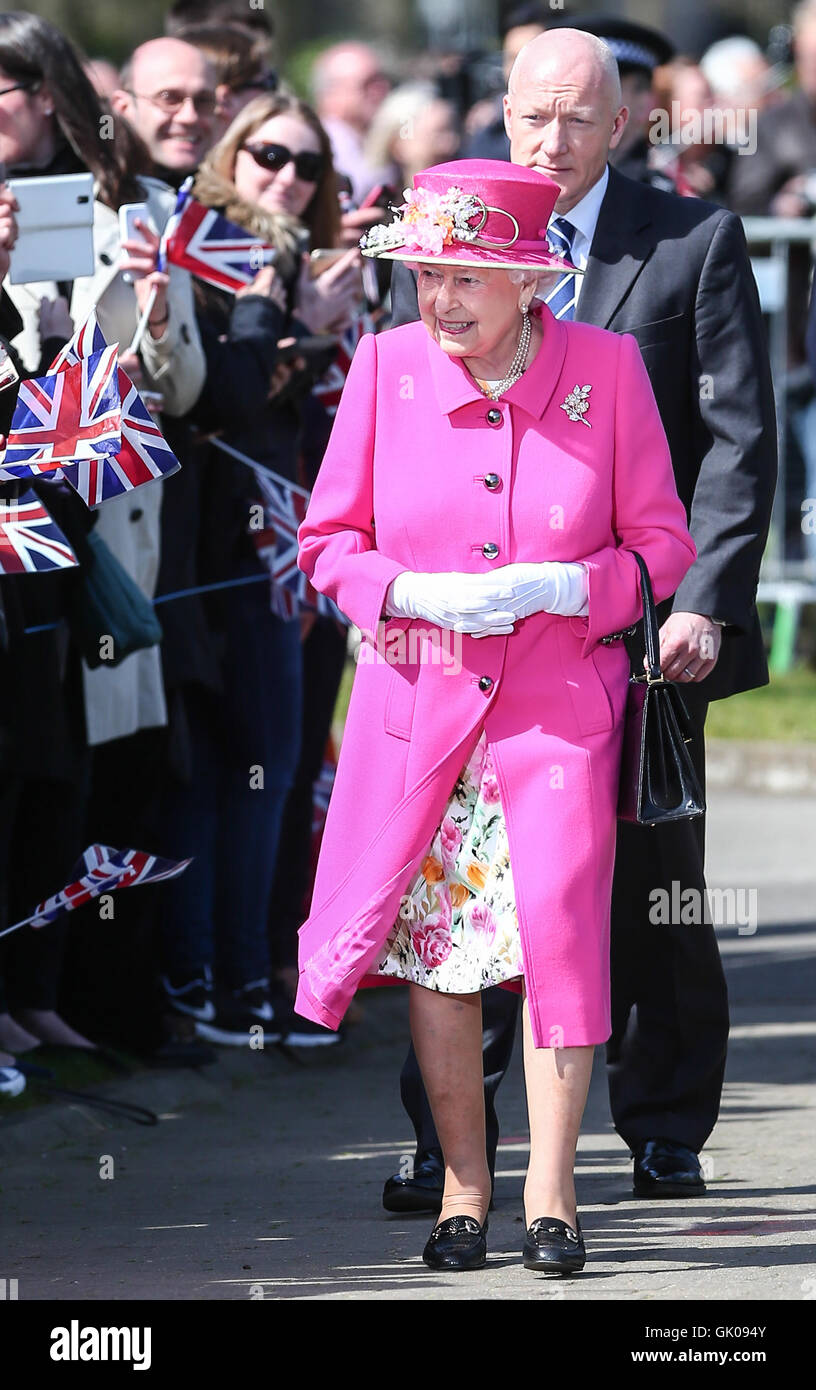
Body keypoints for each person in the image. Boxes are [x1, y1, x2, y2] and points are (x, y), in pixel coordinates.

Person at [387, 26, 777, 1208]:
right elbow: (403, 426)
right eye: (529, 115)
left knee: (652, 884)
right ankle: (451, 1142)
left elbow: (740, 444)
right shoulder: (448, 232)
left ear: (622, 125)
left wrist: (700, 601)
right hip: (478, 631)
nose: (549, 140)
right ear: (501, 117)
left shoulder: (692, 239)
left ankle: (662, 1123)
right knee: (460, 890)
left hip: (642, 630)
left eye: (575, 117)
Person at [294, 157, 696, 1272]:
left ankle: (555, 1193)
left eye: (470, 277)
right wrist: (407, 592)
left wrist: (569, 587)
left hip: (557, 716)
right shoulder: (384, 368)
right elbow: (327, 544)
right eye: (429, 274)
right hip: (420, 717)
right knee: (442, 958)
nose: (444, 300)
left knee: (559, 943)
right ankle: (461, 1190)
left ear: (534, 282)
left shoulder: (607, 371)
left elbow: (662, 544)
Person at [154, 92, 361, 1046]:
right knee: (240, 766)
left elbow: (327, 423)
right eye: (269, 153)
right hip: (213, 540)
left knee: (265, 767)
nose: (285, 175)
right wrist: (306, 326)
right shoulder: (206, 241)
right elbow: (225, 401)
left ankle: (244, 976)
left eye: (307, 164)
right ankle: (222, 982)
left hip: (287, 539)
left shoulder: (301, 255)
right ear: (234, 152)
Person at [112, 37, 219, 187]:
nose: (190, 117)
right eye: (169, 98)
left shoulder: (240, 198)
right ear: (122, 107)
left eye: (203, 100)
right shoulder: (87, 201)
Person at [311, 42, 391, 203]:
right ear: (331, 93)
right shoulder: (316, 144)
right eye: (368, 83)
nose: (382, 89)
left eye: (381, 80)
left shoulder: (376, 136)